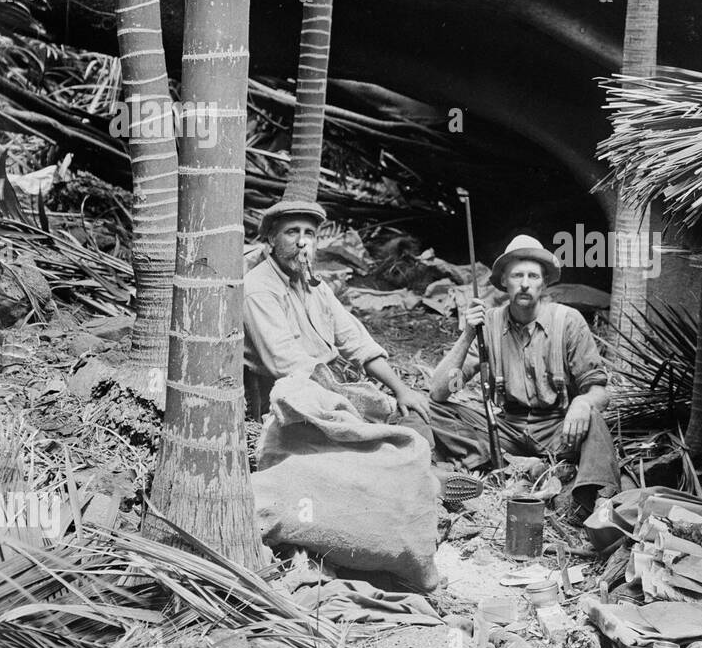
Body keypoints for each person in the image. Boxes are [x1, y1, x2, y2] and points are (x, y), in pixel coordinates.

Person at [428, 235, 620, 511]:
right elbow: (440, 390)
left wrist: (583, 402)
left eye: (533, 275)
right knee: (432, 408)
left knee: (594, 421)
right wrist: (468, 334)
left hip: (560, 430)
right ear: (504, 281)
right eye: (517, 275)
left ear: (544, 282)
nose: (526, 283)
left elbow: (599, 390)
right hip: (507, 429)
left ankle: (595, 502)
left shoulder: (568, 321)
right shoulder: (488, 324)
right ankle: (502, 468)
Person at [243, 198, 434, 447]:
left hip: (330, 387)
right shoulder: (259, 289)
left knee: (412, 413)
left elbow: (355, 341)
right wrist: (351, 398)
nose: (302, 242)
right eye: (292, 232)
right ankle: (412, 467)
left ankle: (418, 463)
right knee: (360, 435)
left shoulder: (316, 287)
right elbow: (286, 363)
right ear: (271, 239)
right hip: (290, 396)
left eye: (309, 233)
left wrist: (401, 390)